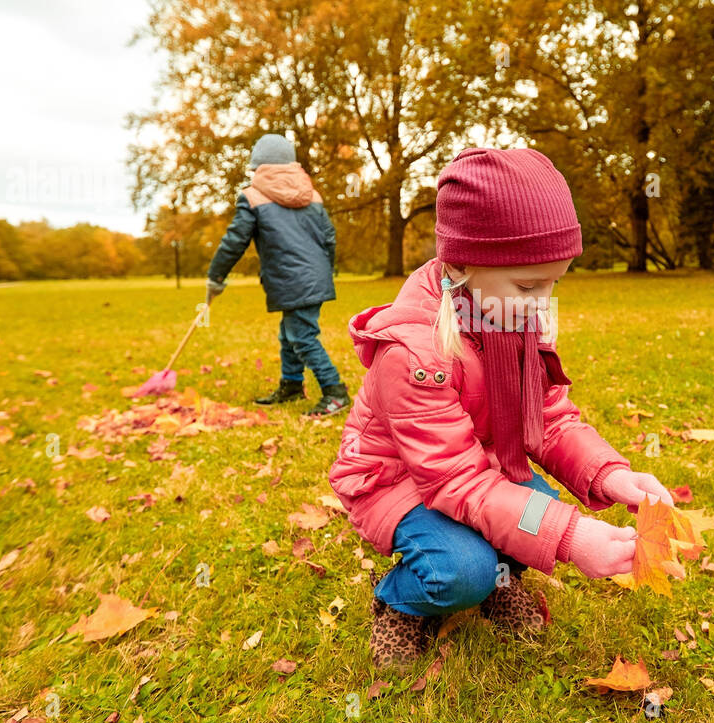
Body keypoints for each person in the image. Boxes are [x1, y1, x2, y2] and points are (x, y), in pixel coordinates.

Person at [328, 146, 676, 670]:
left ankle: (500, 578)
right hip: (399, 482)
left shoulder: (507, 310)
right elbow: (454, 483)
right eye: (530, 285)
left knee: (534, 499)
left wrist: (610, 476)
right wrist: (569, 534)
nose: (543, 302)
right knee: (465, 566)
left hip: (479, 468)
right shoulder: (414, 353)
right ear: (462, 264)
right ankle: (400, 602)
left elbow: (549, 418)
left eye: (554, 283)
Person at [204, 133, 350, 417]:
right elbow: (329, 237)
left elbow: (235, 240)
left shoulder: (252, 195)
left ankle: (335, 392)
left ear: (257, 166)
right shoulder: (313, 196)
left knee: (303, 337)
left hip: (290, 277)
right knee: (290, 334)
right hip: (312, 275)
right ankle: (292, 385)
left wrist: (216, 276)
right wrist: (324, 270)